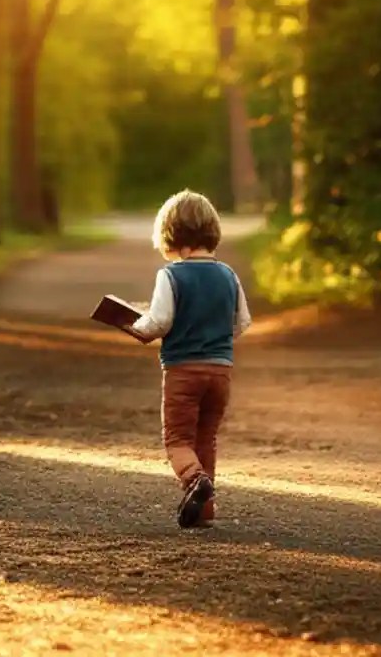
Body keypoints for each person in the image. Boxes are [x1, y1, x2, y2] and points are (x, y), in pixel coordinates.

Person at [131, 190, 252, 528]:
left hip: (183, 371)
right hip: (221, 371)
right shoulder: (229, 275)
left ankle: (195, 479)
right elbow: (241, 322)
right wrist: (216, 342)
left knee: (178, 440)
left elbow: (159, 322)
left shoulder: (171, 276)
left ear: (172, 236)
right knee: (205, 438)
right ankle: (205, 510)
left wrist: (135, 327)